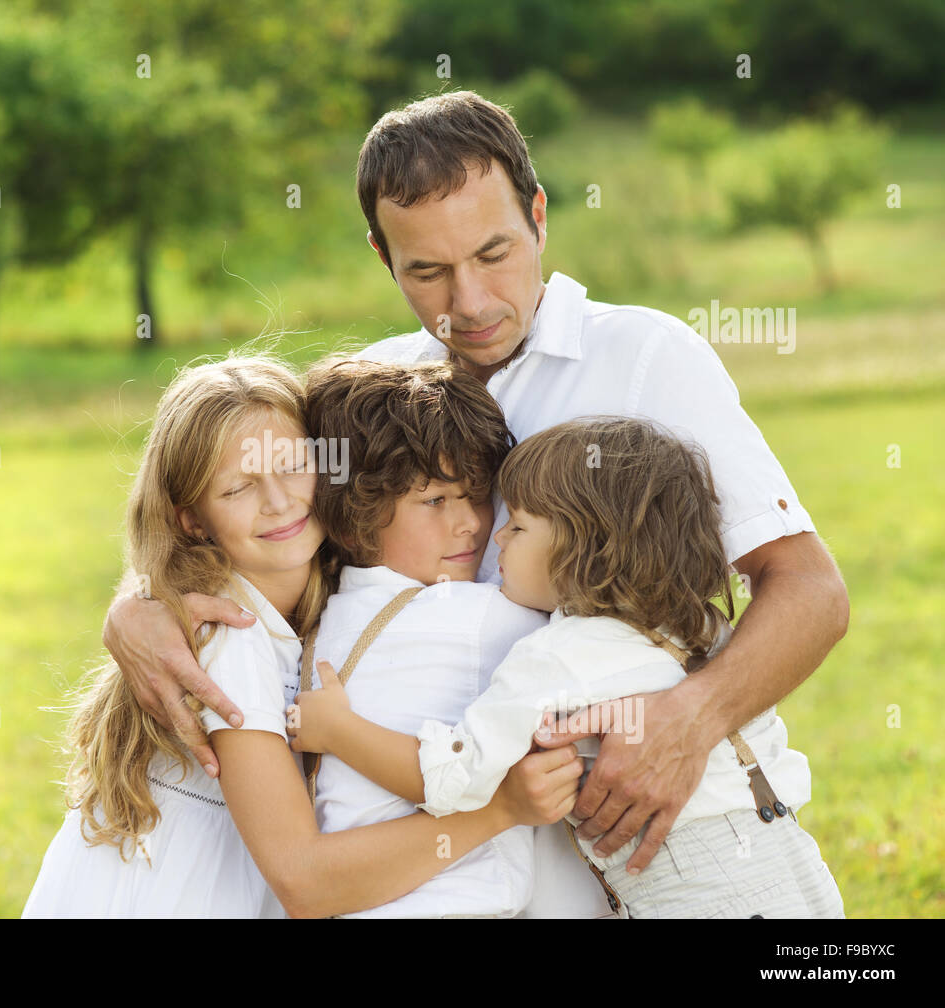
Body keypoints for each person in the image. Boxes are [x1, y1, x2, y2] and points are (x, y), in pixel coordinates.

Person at [101, 90, 849, 888]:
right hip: (447, 867)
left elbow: (810, 591)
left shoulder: (647, 357)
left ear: (538, 214)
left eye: (494, 253)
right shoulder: (379, 392)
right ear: (383, 258)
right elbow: (250, 503)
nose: (471, 304)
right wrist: (142, 603)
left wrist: (689, 721)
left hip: (657, 848)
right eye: (427, 271)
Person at [22, 354, 575, 918]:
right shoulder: (228, 633)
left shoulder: (327, 599)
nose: (280, 501)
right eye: (238, 488)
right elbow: (304, 880)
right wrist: (499, 810)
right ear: (191, 519)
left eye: (292, 466)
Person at [289, 416, 845, 918]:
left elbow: (453, 777)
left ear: (582, 550)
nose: (495, 536)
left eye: (520, 526)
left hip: (697, 890)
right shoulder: (701, 627)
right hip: (791, 854)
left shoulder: (555, 656)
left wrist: (338, 729)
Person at [290, 356, 553, 917]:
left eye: (477, 494)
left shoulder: (323, 616)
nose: (473, 523)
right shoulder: (481, 614)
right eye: (434, 501)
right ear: (356, 513)